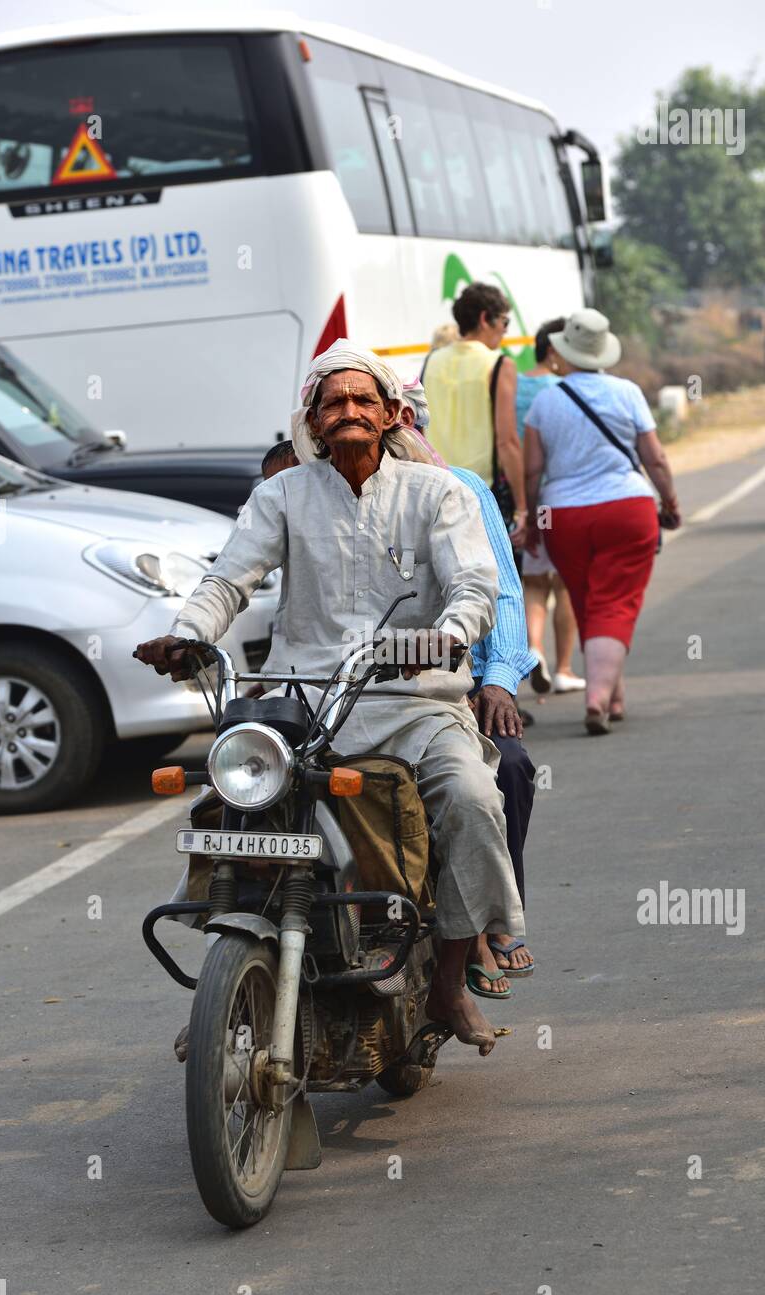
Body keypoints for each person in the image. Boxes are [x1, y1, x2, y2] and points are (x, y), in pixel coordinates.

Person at [134, 340, 528, 1054]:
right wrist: (186, 633)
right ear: (311, 422)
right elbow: (229, 579)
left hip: (415, 701)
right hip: (304, 703)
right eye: (332, 402)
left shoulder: (438, 494)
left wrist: (442, 637)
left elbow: (476, 585)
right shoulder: (281, 495)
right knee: (234, 803)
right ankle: (230, 988)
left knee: (471, 798)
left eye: (361, 400)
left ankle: (448, 977)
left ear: (392, 413)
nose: (347, 412)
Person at [399, 380, 536, 996]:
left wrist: (498, 681)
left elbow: (501, 593)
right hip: (359, 690)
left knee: (505, 768)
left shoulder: (462, 488)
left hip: (460, 681)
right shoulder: (314, 494)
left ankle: (489, 922)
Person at [523, 309, 681, 735]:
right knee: (615, 602)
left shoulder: (544, 402)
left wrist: (533, 520)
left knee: (587, 596)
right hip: (627, 509)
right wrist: (669, 500)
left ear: (563, 352)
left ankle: (613, 694)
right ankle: (596, 698)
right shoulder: (627, 392)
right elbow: (655, 458)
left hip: (563, 517)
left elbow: (532, 472)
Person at [423, 282, 528, 545]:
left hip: (436, 488)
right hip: (483, 492)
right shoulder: (499, 363)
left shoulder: (431, 360)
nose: (505, 331)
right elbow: (507, 442)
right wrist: (523, 507)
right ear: (485, 319)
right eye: (504, 322)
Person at [516, 318, 584, 696]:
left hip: (530, 499)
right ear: (557, 351)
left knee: (535, 583)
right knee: (567, 585)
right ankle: (564, 669)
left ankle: (534, 649)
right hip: (563, 498)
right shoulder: (562, 390)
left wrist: (525, 507)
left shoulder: (516, 385)